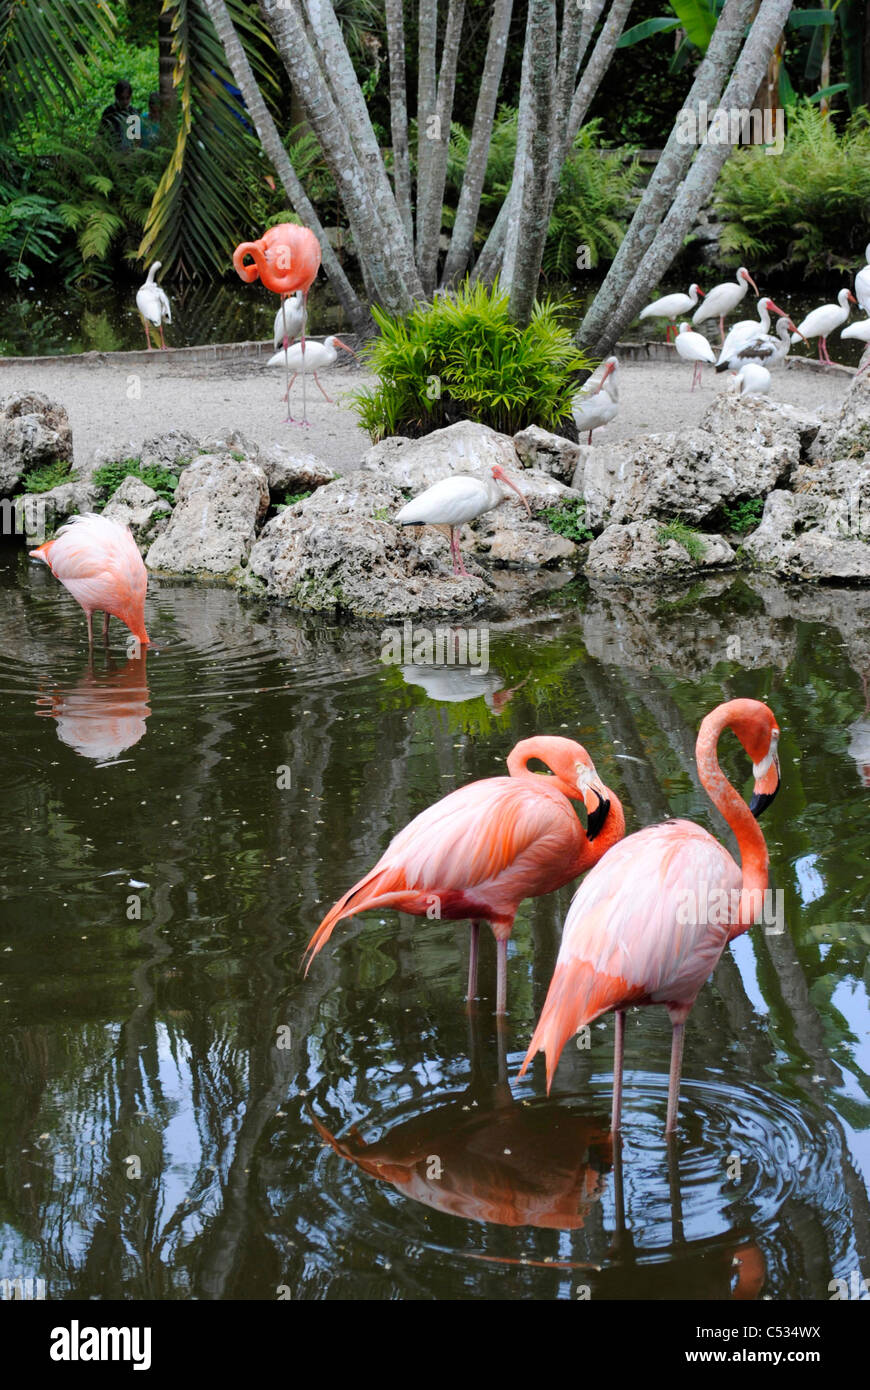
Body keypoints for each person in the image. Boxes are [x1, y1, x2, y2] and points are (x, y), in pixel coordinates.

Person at [99, 81, 139, 152]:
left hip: (130, 154)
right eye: (122, 98)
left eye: (127, 98)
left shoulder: (134, 113)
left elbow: (137, 138)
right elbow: (101, 135)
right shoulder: (109, 112)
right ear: (116, 96)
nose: (125, 101)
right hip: (112, 153)